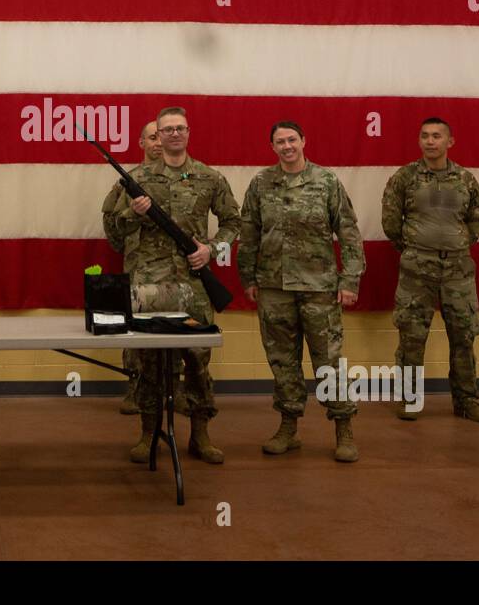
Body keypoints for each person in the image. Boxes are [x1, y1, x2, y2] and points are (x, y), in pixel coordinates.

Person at [106, 107, 239, 465]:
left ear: (188, 133)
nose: (174, 134)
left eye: (180, 128)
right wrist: (133, 213)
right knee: (148, 362)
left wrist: (211, 250)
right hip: (149, 285)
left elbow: (233, 222)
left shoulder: (209, 178)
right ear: (158, 137)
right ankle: (148, 435)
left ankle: (200, 435)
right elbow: (114, 232)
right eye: (167, 130)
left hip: (194, 285)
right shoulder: (138, 178)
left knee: (197, 361)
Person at [237, 121, 364, 463]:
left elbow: (349, 232)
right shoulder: (261, 183)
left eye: (292, 139)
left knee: (329, 363)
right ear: (272, 147)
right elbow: (249, 232)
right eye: (280, 141)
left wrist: (350, 280)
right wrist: (248, 276)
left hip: (319, 288)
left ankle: (343, 427)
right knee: (283, 362)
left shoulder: (326, 181)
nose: (287, 145)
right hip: (274, 287)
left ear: (304, 141)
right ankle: (288, 427)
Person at [381, 118, 479, 423]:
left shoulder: (466, 179)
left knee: (464, 335)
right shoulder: (405, 177)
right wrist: (415, 247)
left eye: (437, 136)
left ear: (449, 142)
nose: (430, 141)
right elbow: (391, 221)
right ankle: (410, 399)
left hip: (458, 270)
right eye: (425, 136)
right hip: (418, 268)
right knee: (412, 336)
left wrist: (456, 244)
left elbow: (475, 220)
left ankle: (467, 400)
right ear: (419, 141)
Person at [100, 120, 163, 415]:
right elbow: (110, 220)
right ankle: (135, 389)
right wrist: (124, 243)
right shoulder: (127, 181)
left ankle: (179, 392)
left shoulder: (191, 177)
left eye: (162, 136)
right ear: (141, 143)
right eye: (152, 137)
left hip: (178, 268)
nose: (159, 142)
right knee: (136, 331)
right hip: (140, 265)